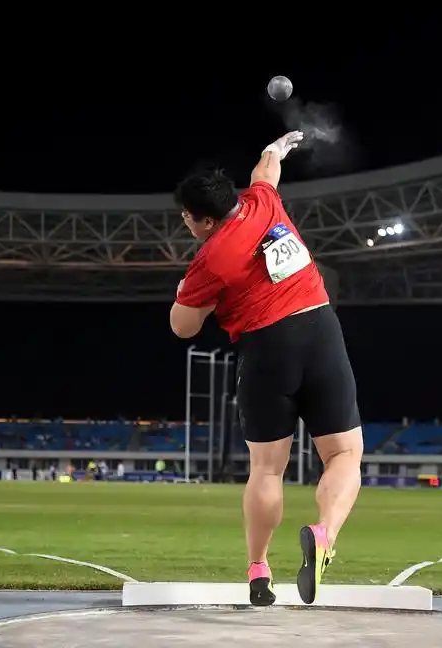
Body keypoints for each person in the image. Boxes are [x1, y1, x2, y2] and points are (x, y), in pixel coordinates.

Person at [170, 130, 363, 607]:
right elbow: (266, 171)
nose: (185, 221)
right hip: (319, 331)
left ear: (206, 220)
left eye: (188, 217)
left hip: (265, 350)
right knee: (343, 456)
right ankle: (325, 535)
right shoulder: (262, 202)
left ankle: (259, 570)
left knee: (266, 470)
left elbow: (183, 328)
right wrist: (275, 149)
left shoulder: (209, 259)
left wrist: (185, 290)